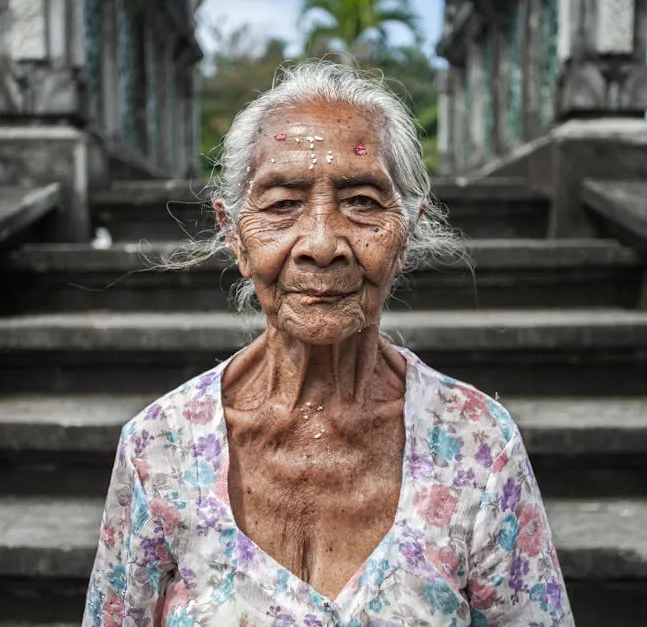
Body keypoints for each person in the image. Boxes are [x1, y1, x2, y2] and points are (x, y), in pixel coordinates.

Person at [83, 61, 573, 626]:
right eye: (281, 204)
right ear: (234, 236)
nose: (321, 243)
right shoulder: (159, 448)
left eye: (362, 201)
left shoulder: (478, 444)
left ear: (405, 235)